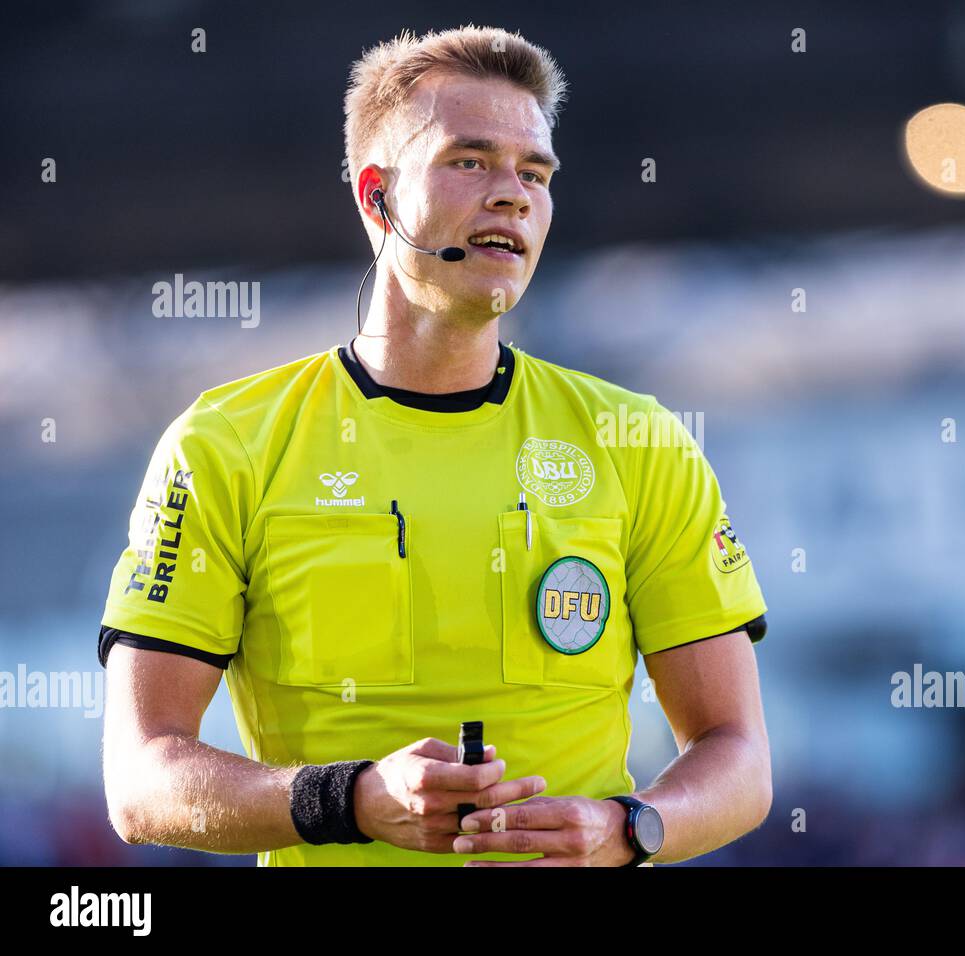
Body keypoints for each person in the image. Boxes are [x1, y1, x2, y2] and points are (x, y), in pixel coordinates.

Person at [98, 24, 772, 866]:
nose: (513, 195)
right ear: (376, 198)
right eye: (470, 160)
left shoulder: (636, 440)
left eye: (535, 173)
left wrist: (629, 827)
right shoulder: (225, 445)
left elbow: (738, 757)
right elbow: (139, 779)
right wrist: (347, 801)